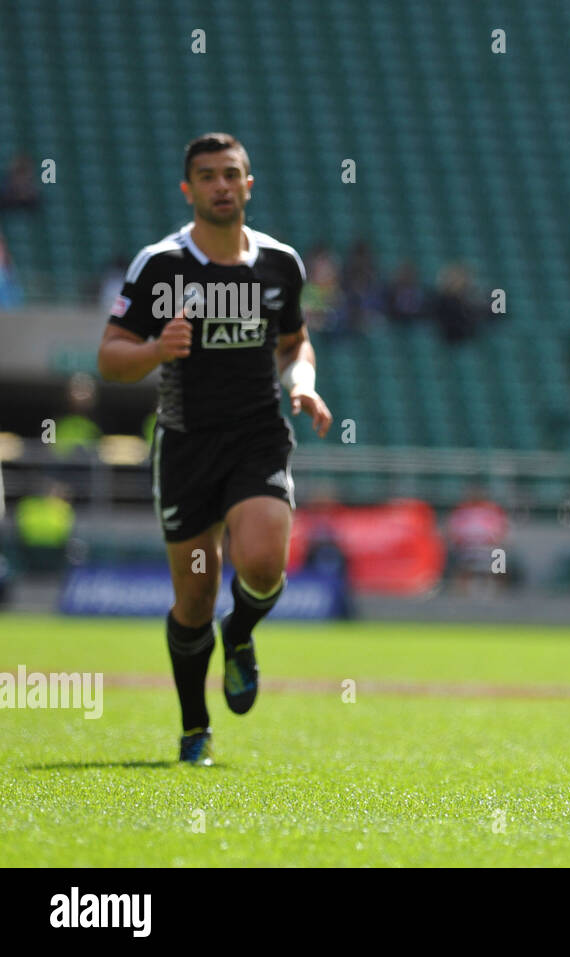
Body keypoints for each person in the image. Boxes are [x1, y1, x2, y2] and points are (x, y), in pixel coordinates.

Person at [97, 133, 332, 765]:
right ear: (189, 189)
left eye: (231, 174)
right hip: (186, 447)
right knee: (194, 597)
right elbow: (110, 357)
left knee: (260, 564)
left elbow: (293, 343)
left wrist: (303, 385)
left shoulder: (280, 264)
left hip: (258, 437)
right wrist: (153, 350)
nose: (221, 186)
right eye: (207, 176)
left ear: (248, 185)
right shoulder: (161, 266)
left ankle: (243, 633)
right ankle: (194, 725)